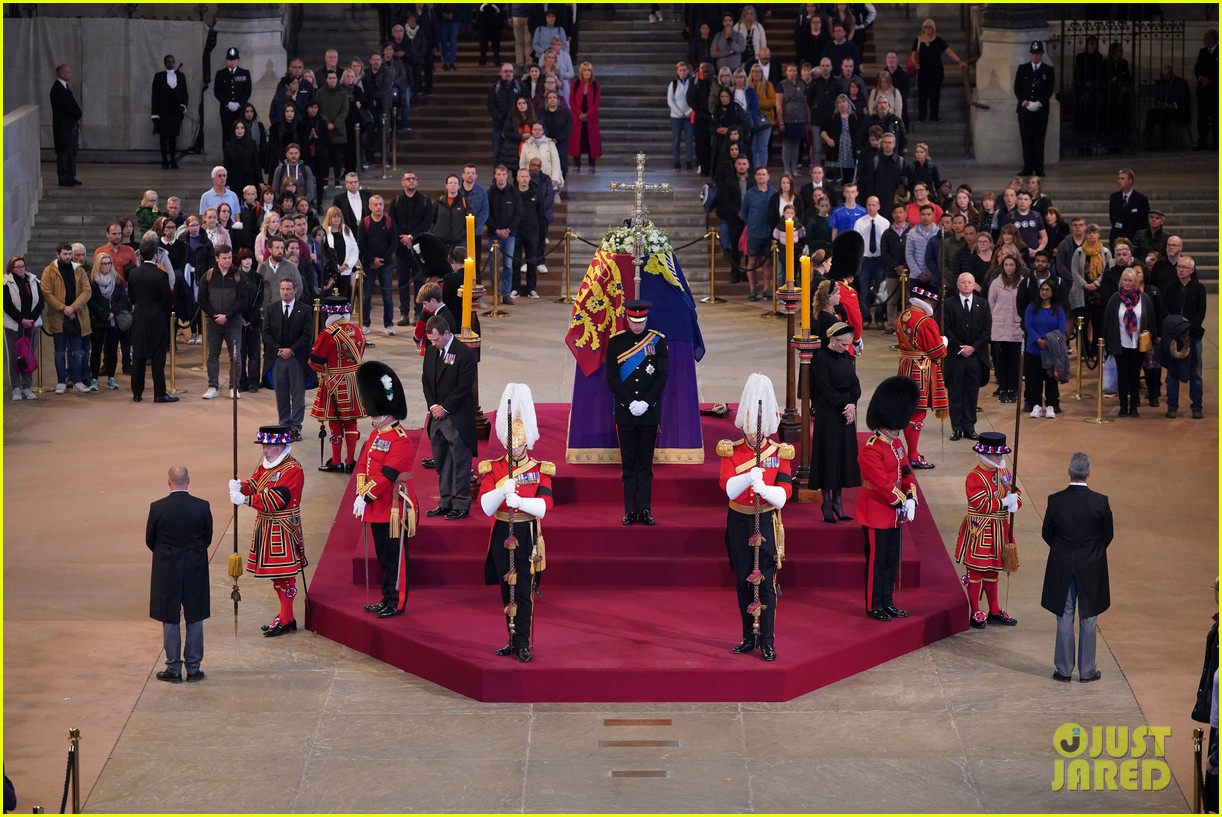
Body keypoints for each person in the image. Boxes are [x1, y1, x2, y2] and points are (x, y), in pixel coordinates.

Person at [717, 373, 792, 662]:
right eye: (750, 430)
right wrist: (749, 477)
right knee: (742, 582)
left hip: (768, 523)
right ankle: (749, 635)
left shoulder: (779, 452)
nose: (754, 435)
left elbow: (784, 494)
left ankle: (768, 640)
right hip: (739, 521)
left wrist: (767, 489)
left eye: (758, 430)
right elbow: (727, 488)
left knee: (768, 585)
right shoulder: (731, 451)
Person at [477, 383, 552, 662]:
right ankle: (510, 637)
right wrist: (501, 490)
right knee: (504, 588)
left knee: (523, 590)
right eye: (511, 442)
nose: (515, 447)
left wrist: (520, 501)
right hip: (501, 531)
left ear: (527, 441)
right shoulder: (494, 467)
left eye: (519, 443)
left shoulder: (539, 469)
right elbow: (485, 506)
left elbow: (545, 506)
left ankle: (523, 641)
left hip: (526, 531)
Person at [353, 360, 419, 619]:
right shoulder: (376, 435)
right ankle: (385, 597)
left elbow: (388, 475)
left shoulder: (400, 440)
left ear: (387, 413)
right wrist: (360, 493)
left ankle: (397, 601)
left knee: (395, 559)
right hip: (375, 505)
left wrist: (366, 495)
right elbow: (363, 464)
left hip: (392, 506)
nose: (371, 417)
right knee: (383, 558)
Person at [229, 425, 307, 637]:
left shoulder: (292, 470)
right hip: (267, 525)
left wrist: (245, 499)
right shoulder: (268, 465)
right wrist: (241, 487)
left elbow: (276, 499)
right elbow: (256, 483)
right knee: (277, 577)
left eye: (269, 446)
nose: (265, 450)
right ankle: (285, 616)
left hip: (282, 528)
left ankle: (287, 618)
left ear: (282, 445)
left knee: (286, 576)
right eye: (264, 445)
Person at [1041, 452, 1113, 683]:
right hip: (1091, 566)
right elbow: (1107, 535)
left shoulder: (1055, 500)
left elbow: (1047, 533)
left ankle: (1063, 670)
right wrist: (1091, 553)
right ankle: (1087, 671)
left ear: (1069, 471)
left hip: (1063, 565)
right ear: (1089, 473)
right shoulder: (1100, 501)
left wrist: (1063, 550)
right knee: (1089, 617)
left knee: (1064, 615)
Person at [857, 376, 920, 621]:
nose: (897, 430)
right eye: (895, 426)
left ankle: (887, 601)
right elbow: (882, 484)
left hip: (894, 514)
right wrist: (903, 501)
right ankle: (874, 605)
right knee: (877, 562)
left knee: (891, 560)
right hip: (876, 512)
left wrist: (912, 497)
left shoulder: (896, 444)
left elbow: (906, 473)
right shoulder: (871, 448)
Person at [147, 464, 213, 683]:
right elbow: (207, 538)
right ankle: (194, 668)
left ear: (169, 482)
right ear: (188, 481)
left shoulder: (158, 508)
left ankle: (173, 669)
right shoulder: (202, 507)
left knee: (170, 617)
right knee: (195, 616)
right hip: (194, 567)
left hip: (167, 568)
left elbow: (150, 539)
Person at [606, 300, 669, 526]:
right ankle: (630, 511)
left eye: (641, 321)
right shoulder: (616, 342)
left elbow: (662, 376)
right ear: (628, 318)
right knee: (628, 465)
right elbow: (612, 377)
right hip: (626, 411)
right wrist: (630, 401)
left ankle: (646, 510)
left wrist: (646, 402)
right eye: (634, 321)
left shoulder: (658, 341)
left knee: (645, 465)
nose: (637, 325)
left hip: (649, 412)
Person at [954, 432, 1021, 630]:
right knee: (975, 572)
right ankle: (975, 611)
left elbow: (1013, 490)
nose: (1000, 459)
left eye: (1001, 455)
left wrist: (1015, 501)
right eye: (997, 455)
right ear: (985, 454)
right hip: (980, 530)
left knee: (992, 572)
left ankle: (994, 610)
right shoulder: (975, 476)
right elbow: (980, 504)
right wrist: (1003, 502)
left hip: (999, 529)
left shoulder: (1003, 472)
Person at [422, 314, 478, 520]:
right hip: (437, 418)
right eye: (430, 340)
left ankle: (461, 503)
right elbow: (426, 382)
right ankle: (445, 501)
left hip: (457, 418)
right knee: (442, 461)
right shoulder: (430, 352)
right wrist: (433, 406)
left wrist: (444, 407)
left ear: (447, 333)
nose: (433, 344)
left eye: (436, 339)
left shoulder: (464, 354)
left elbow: (464, 388)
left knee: (460, 463)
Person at [310, 294, 367, 472]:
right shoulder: (357, 330)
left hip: (335, 382)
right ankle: (350, 461)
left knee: (335, 422)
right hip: (355, 381)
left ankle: (336, 461)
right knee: (351, 422)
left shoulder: (328, 334)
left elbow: (315, 362)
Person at [811, 322, 861, 521]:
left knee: (843, 456)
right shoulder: (822, 359)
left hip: (846, 411)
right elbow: (825, 388)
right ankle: (827, 501)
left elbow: (855, 384)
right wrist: (844, 406)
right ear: (833, 340)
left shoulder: (847, 357)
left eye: (848, 344)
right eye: (843, 344)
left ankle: (838, 502)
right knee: (829, 456)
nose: (846, 347)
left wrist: (852, 404)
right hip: (829, 413)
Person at [896, 284, 946, 469]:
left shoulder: (902, 316)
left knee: (909, 411)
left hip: (905, 366)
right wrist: (944, 342)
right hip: (921, 370)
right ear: (927, 300)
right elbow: (937, 352)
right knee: (918, 413)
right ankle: (913, 454)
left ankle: (911, 452)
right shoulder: (926, 321)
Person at [262, 278, 312, 441]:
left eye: (289, 289)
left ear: (295, 290)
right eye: (283, 289)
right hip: (277, 358)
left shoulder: (304, 309)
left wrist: (291, 350)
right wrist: (279, 350)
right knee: (281, 394)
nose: (285, 292)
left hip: (297, 358)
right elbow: (266, 333)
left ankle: (296, 427)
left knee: (297, 395)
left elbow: (307, 335)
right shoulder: (271, 309)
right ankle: (284, 424)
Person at [945, 272, 992, 440]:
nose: (966, 285)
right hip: (956, 356)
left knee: (972, 393)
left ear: (974, 285)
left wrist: (973, 348)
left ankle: (969, 427)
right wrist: (960, 347)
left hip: (975, 356)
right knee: (955, 392)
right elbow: (946, 329)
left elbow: (987, 331)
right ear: (958, 285)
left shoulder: (983, 304)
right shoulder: (948, 304)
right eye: (963, 282)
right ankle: (956, 427)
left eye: (969, 282)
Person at [198, 245, 248, 400]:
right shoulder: (208, 276)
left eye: (229, 258)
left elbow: (242, 300)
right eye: (224, 258)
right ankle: (213, 386)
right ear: (217, 258)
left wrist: (227, 315)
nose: (227, 261)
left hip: (233, 322)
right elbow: (202, 300)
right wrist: (215, 316)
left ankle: (234, 387)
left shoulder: (239, 276)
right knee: (212, 354)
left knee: (235, 355)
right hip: (213, 322)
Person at [41, 244, 92, 395]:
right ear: (58, 255)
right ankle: (61, 382)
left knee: (77, 352)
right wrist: (64, 308)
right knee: (59, 352)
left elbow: (87, 291)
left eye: (70, 254)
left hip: (77, 316)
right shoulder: (49, 271)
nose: (68, 257)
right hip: (58, 317)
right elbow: (46, 292)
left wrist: (73, 308)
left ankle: (77, 381)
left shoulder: (79, 270)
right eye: (65, 254)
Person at [1105, 267, 1155, 419]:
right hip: (1120, 343)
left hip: (1137, 344)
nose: (1127, 283)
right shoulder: (1115, 299)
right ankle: (1123, 406)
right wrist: (1108, 343)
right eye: (1124, 280)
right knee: (1122, 375)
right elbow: (1108, 321)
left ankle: (1134, 405)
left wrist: (1152, 338)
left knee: (1134, 376)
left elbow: (1151, 319)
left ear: (1135, 283)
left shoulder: (1144, 298)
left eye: (1130, 281)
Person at [1164, 254, 1206, 420]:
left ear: (1192, 270)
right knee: (1172, 373)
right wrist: (1177, 328)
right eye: (1179, 267)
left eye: (1184, 267)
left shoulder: (1199, 288)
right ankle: (1172, 406)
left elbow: (1201, 311)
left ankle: (1197, 407)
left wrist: (1189, 329)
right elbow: (1166, 310)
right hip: (1175, 335)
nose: (1180, 270)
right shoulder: (1170, 288)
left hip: (1193, 336)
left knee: (1196, 372)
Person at [1023, 279, 1066, 418]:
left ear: (1053, 292)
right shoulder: (1031, 307)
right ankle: (1035, 405)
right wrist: (1038, 339)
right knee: (1035, 378)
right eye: (1042, 289)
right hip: (1034, 349)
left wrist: (1048, 340)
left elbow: (1061, 328)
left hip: (1051, 349)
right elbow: (1028, 326)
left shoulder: (1058, 309)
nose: (1044, 292)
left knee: (1051, 379)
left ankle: (1050, 405)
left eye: (1047, 289)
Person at [909, 19, 966, 123]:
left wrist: (959, 61)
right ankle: (921, 116)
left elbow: (949, 51)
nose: (927, 29)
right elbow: (913, 55)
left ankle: (934, 116)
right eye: (926, 27)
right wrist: (915, 63)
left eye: (929, 27)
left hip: (936, 72)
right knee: (922, 94)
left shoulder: (938, 40)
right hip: (923, 71)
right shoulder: (918, 40)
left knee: (935, 94)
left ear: (933, 28)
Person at [87, 254, 129, 392]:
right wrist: (104, 313)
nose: (106, 266)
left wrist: (113, 312)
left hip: (113, 321)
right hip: (98, 320)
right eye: (103, 263)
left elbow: (123, 298)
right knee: (96, 350)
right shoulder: (92, 280)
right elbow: (91, 300)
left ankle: (111, 377)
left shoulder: (117, 280)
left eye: (108, 263)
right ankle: (94, 378)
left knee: (112, 350)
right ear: (98, 264)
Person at [4, 256, 44, 400]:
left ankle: (27, 387)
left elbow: (40, 302)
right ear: (11, 268)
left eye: (23, 266)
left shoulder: (33, 280)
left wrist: (31, 319)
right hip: (14, 326)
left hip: (32, 325)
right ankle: (16, 387)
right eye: (18, 267)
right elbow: (7, 305)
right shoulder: (5, 282)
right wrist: (22, 320)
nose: (21, 269)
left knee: (28, 356)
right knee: (15, 356)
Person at [357, 194, 398, 334]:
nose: (379, 207)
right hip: (368, 265)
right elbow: (361, 244)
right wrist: (371, 260)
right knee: (366, 296)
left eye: (380, 204)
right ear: (370, 207)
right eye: (375, 204)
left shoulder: (389, 222)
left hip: (385, 265)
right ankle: (366, 324)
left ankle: (389, 324)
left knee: (387, 296)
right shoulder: (365, 222)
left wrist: (382, 260)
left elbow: (394, 244)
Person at [987, 253, 1024, 404]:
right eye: (1006, 265)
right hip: (1000, 326)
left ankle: (1013, 389)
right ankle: (1002, 388)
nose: (1009, 268)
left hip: (1016, 326)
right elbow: (991, 304)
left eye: (1012, 265)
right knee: (1001, 361)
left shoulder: (1022, 282)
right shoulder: (996, 283)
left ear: (1016, 266)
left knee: (1014, 361)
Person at [1014, 40, 1054, 176]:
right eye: (1034, 54)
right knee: (1026, 139)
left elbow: (1049, 90)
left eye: (1038, 54)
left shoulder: (1048, 70)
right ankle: (1028, 167)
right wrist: (1024, 102)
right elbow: (1017, 88)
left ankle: (1039, 168)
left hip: (1040, 111)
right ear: (1031, 54)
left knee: (1039, 139)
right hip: (1025, 111)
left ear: (1042, 54)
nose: (1036, 56)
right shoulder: (1022, 68)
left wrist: (1039, 103)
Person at [150, 55, 189, 170]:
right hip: (163, 112)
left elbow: (185, 93)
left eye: (172, 62)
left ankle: (172, 160)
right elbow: (155, 96)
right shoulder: (159, 77)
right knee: (163, 137)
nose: (171, 64)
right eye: (168, 62)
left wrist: (183, 105)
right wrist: (155, 113)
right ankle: (164, 160)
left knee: (173, 138)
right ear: (164, 63)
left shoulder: (181, 76)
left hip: (175, 112)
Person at [50, 64, 82, 187]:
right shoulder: (57, 89)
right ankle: (64, 179)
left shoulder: (65, 87)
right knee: (64, 153)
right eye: (68, 72)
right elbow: (67, 107)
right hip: (63, 128)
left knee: (72, 152)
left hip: (70, 126)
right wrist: (78, 113)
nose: (71, 74)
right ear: (62, 74)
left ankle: (71, 176)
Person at [213, 47, 252, 144]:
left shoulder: (244, 73)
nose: (232, 62)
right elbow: (217, 91)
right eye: (230, 59)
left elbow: (247, 91)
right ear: (227, 60)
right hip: (226, 111)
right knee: (227, 137)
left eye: (234, 59)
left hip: (240, 110)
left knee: (240, 136)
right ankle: (227, 159)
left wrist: (239, 103)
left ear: (238, 60)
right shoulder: (220, 74)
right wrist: (227, 103)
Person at [569, 62, 601, 173]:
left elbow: (597, 103)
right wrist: (579, 114)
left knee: (591, 142)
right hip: (577, 119)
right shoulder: (575, 83)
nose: (586, 72)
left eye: (588, 70)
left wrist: (587, 114)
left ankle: (592, 166)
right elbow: (571, 101)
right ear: (581, 72)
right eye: (584, 70)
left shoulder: (596, 85)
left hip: (591, 119)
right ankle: (576, 165)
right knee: (577, 141)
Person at [1108, 168, 1150, 245]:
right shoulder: (1114, 197)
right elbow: (1112, 217)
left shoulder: (1141, 199)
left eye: (1122, 179)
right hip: (1116, 237)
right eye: (1118, 178)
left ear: (1130, 181)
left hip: (1133, 238)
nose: (1119, 181)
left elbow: (1144, 221)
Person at [668, 61, 695, 170]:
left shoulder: (693, 82)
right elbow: (670, 100)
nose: (683, 72)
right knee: (676, 138)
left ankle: (689, 161)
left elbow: (695, 99)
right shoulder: (673, 84)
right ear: (677, 72)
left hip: (689, 115)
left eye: (684, 70)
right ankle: (676, 161)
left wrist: (688, 112)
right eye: (680, 70)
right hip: (676, 116)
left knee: (689, 139)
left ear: (688, 71)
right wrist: (679, 112)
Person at [1194, 29, 1218, 151]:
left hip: (1215, 91)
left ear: (1214, 38)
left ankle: (1217, 143)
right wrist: (1201, 77)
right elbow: (1197, 68)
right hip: (1203, 91)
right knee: (1202, 118)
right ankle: (1202, 142)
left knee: (1216, 118)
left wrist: (1210, 80)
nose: (1204, 40)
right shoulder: (1202, 52)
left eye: (1206, 37)